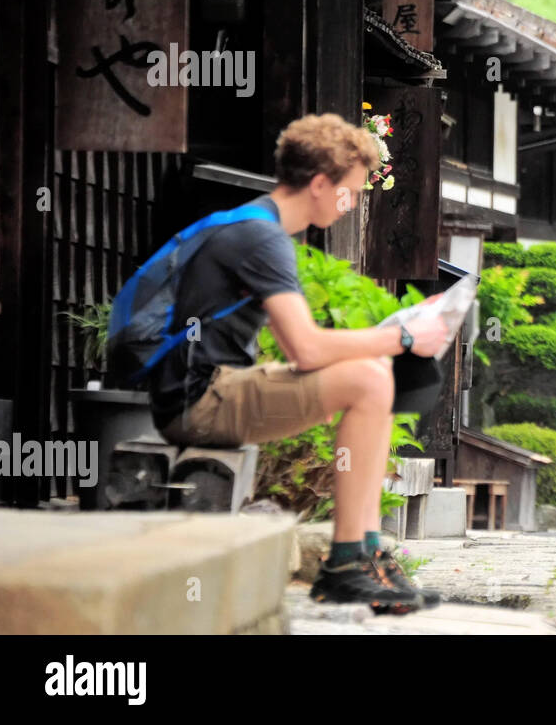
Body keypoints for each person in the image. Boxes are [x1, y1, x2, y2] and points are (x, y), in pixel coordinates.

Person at [150, 113, 450, 613]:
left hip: (209, 388)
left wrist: (391, 337)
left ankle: (366, 550)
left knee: (371, 375)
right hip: (199, 403)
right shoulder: (261, 238)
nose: (352, 203)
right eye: (349, 192)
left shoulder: (255, 228)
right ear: (318, 184)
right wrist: (399, 336)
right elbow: (305, 350)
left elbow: (304, 347)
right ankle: (347, 564)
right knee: (369, 382)